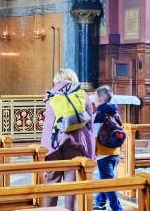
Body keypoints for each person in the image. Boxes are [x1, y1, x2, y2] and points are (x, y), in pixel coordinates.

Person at [40, 68, 94, 211]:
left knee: (51, 183)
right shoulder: (81, 94)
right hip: (75, 145)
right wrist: (89, 148)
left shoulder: (51, 95)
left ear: (57, 79)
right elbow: (89, 123)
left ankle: (48, 209)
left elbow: (48, 124)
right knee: (72, 185)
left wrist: (46, 146)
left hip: (54, 145)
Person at [92, 86, 122, 211]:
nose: (94, 100)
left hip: (103, 152)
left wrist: (92, 153)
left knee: (108, 182)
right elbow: (120, 131)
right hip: (115, 151)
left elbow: (94, 135)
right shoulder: (115, 112)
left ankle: (117, 208)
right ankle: (100, 202)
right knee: (105, 178)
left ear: (99, 98)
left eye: (95, 97)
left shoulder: (99, 115)